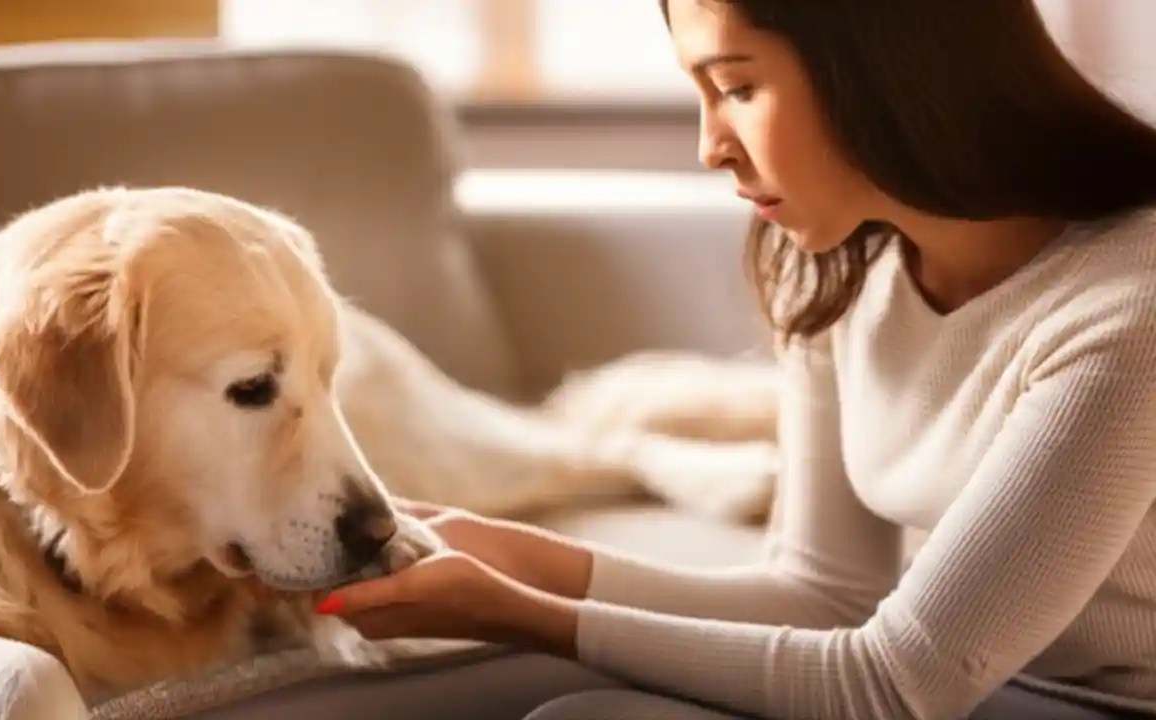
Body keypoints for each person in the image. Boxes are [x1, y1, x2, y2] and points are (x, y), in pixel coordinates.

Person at [310, 1, 1156, 718]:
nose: (710, 145)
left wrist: (520, 614)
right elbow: (822, 595)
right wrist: (520, 557)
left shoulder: (1127, 310)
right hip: (999, 688)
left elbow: (894, 685)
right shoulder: (842, 267)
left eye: (738, 89)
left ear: (887, 66)